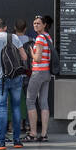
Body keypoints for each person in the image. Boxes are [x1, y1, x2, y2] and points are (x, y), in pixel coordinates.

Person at [0, 19, 27, 150]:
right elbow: (24, 57)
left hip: (0, 78)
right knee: (16, 107)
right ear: (5, 27)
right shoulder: (13, 37)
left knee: (2, 108)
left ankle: (1, 142)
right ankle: (17, 140)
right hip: (16, 76)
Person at [24, 14, 54, 142]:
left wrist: (31, 52)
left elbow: (37, 58)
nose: (36, 25)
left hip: (38, 72)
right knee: (43, 102)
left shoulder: (40, 38)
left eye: (38, 23)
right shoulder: (48, 37)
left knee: (30, 101)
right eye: (34, 23)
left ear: (44, 25)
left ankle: (33, 133)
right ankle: (44, 134)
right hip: (47, 72)